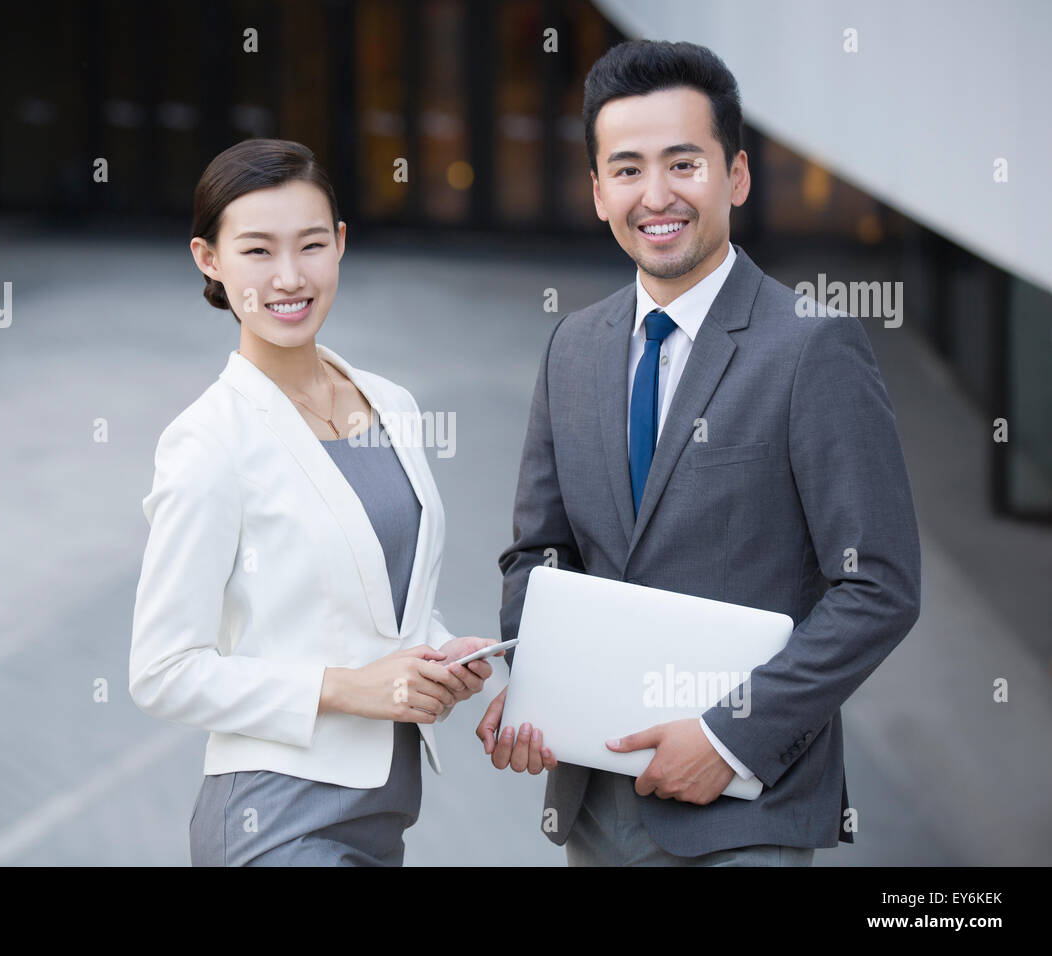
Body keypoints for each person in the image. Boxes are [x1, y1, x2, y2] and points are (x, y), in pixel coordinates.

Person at [476, 39, 921, 866]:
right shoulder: (572, 348)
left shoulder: (812, 349)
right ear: (599, 190)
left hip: (741, 815)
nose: (657, 195)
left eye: (684, 163)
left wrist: (727, 738)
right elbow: (537, 554)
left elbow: (879, 586)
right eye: (629, 168)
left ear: (736, 177)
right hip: (594, 801)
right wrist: (527, 687)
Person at [129, 137, 499, 866]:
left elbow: (368, 597)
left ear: (341, 245)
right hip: (275, 820)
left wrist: (437, 650)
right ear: (209, 260)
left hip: (383, 809)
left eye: (310, 245)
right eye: (258, 252)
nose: (290, 277)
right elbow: (162, 671)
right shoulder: (209, 440)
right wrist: (346, 689)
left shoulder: (390, 404)